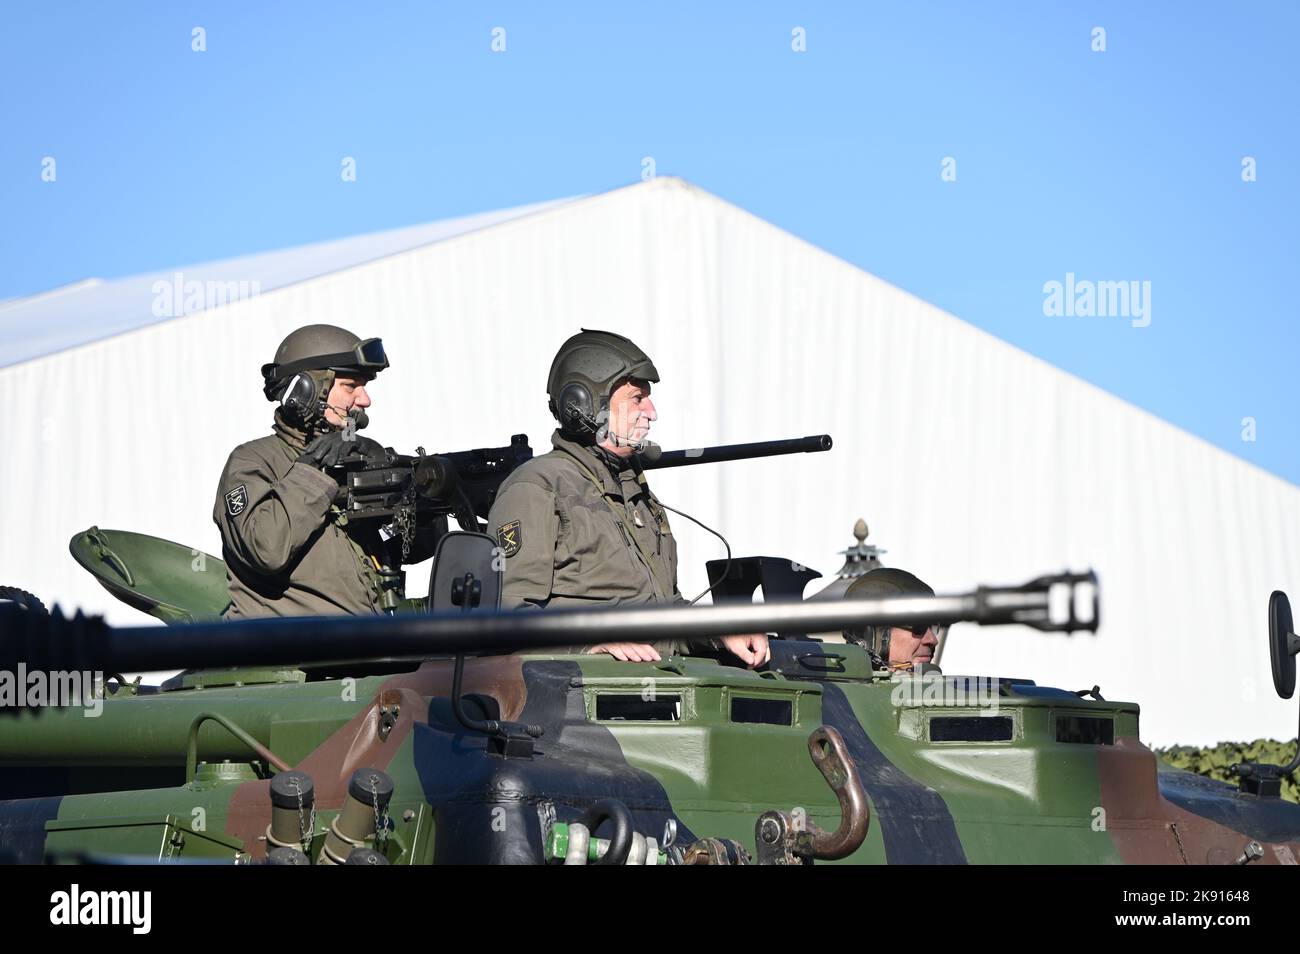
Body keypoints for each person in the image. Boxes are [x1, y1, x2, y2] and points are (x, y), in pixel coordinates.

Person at [486, 329, 769, 666]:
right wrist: (587, 648)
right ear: (583, 405)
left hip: (654, 685)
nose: (651, 412)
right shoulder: (538, 487)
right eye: (637, 398)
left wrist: (717, 629)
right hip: (576, 697)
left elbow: (662, 611)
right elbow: (506, 615)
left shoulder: (634, 491)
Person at [213, 324, 393, 618]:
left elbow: (406, 550)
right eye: (351, 386)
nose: (365, 400)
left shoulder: (351, 457)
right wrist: (315, 470)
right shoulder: (252, 462)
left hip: (365, 648)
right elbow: (266, 548)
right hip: (293, 656)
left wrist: (416, 494)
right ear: (306, 390)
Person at [844, 567, 940, 670]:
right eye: (919, 627)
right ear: (868, 636)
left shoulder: (934, 685)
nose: (933, 640)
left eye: (932, 626)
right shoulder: (831, 686)